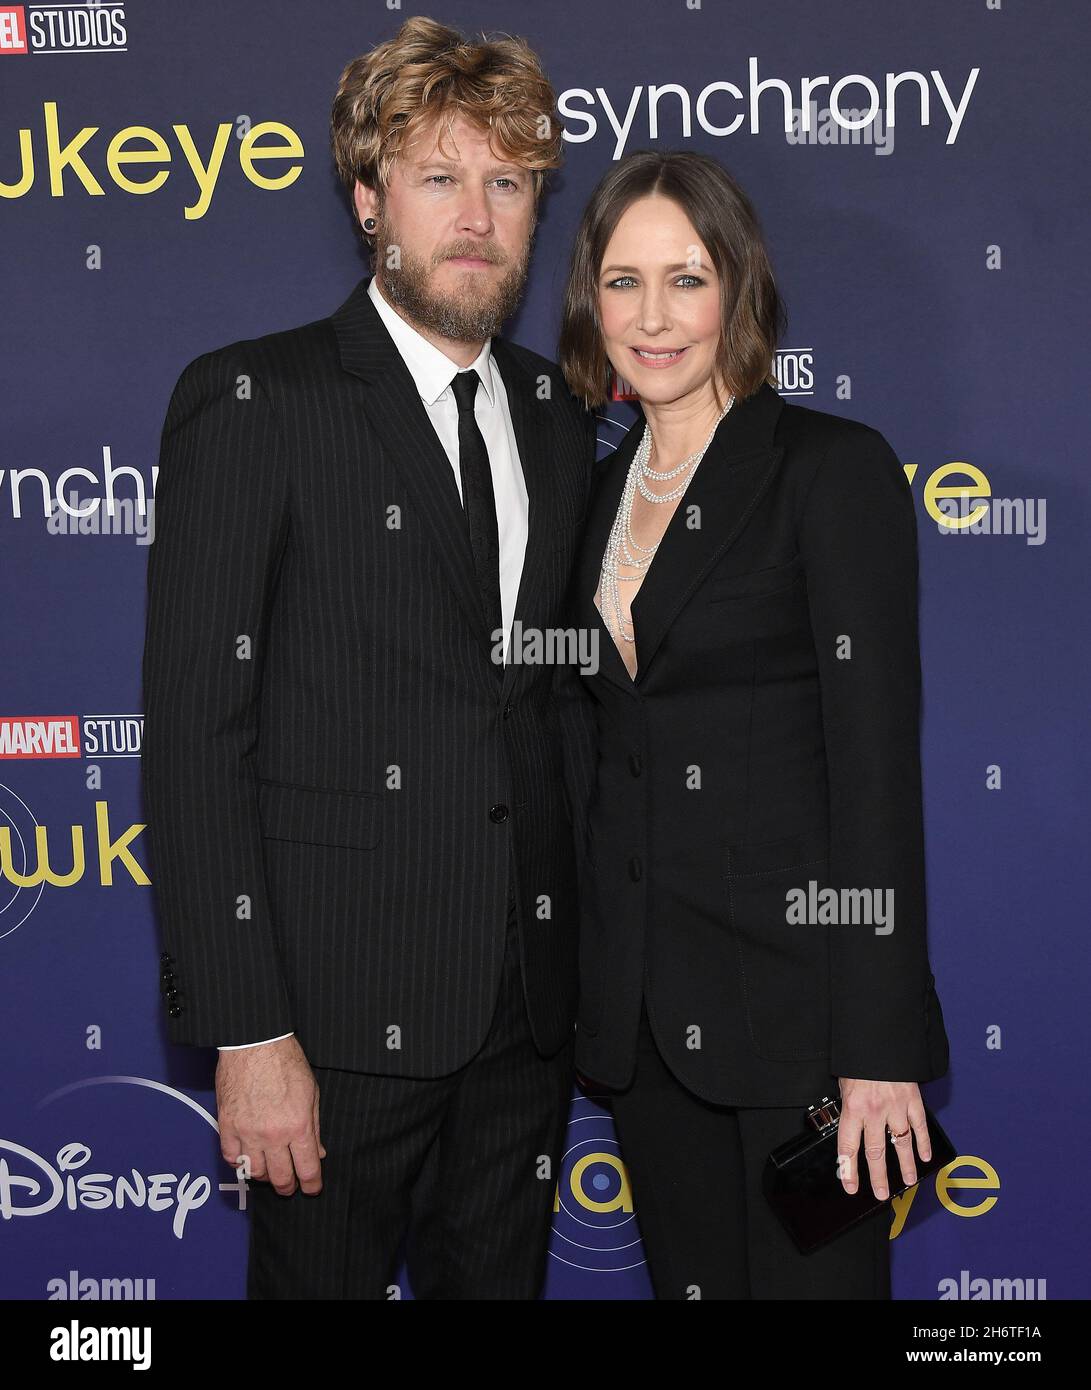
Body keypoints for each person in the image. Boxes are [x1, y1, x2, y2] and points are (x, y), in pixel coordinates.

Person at [142, 17, 596, 1300]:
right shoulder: (254, 401)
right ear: (365, 199)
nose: (477, 217)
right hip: (331, 1025)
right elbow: (194, 735)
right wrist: (250, 1030)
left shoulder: (558, 416)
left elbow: (547, 702)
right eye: (439, 178)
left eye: (507, 183)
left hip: (521, 1014)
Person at [558, 149, 951, 1299]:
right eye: (621, 282)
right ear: (589, 298)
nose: (652, 315)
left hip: (799, 1027)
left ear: (738, 286)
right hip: (642, 1029)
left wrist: (877, 1052)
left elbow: (875, 773)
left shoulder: (828, 472)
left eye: (684, 277)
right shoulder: (594, 493)